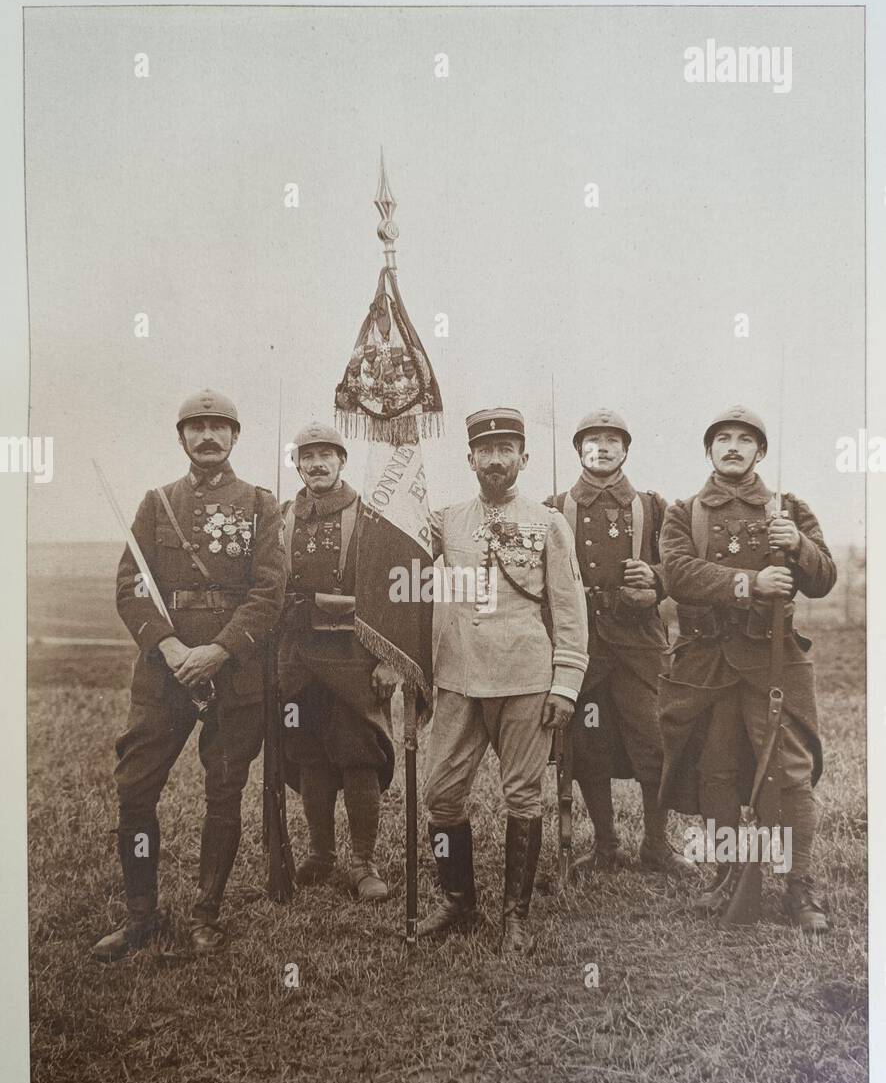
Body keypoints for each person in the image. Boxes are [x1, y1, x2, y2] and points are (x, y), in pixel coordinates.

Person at [93, 389, 286, 960]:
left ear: (234, 437)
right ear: (181, 438)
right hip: (164, 672)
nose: (207, 436)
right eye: (196, 427)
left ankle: (207, 914)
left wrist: (221, 650)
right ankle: (140, 916)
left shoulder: (259, 503)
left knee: (224, 791)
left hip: (235, 672)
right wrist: (171, 646)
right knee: (135, 788)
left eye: (218, 427)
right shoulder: (157, 503)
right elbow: (131, 584)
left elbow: (269, 591)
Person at [657, 405, 837, 933]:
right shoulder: (682, 511)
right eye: (722, 439)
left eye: (744, 439)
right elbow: (679, 574)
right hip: (706, 661)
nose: (732, 446)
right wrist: (749, 583)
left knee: (791, 774)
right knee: (715, 771)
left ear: (760, 452)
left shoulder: (789, 509)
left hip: (772, 658)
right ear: (709, 450)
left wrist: (797, 546)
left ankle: (797, 887)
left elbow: (823, 578)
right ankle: (727, 873)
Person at [420, 408, 589, 955]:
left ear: (523, 458)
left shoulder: (548, 523)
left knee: (523, 796)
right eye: (485, 450)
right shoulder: (445, 520)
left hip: (524, 677)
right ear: (470, 459)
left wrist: (565, 684)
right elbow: (401, 558)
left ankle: (514, 915)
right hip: (459, 678)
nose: (495, 459)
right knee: (441, 794)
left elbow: (569, 608)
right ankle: (457, 901)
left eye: (506, 449)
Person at [546, 408, 692, 874]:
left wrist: (654, 579)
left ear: (626, 450)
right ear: (579, 450)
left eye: (612, 439)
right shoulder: (554, 507)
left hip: (639, 647)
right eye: (592, 440)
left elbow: (682, 566)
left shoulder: (652, 506)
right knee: (588, 746)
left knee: (653, 742)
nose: (603, 447)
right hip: (582, 648)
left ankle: (656, 845)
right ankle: (605, 845)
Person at [278, 423, 397, 901]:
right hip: (297, 657)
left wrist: (389, 659)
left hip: (353, 657)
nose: (317, 464)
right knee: (309, 754)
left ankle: (362, 863)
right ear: (298, 464)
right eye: (307, 457)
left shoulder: (369, 516)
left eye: (326, 454)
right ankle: (321, 855)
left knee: (358, 756)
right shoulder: (282, 516)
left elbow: (391, 592)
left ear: (342, 460)